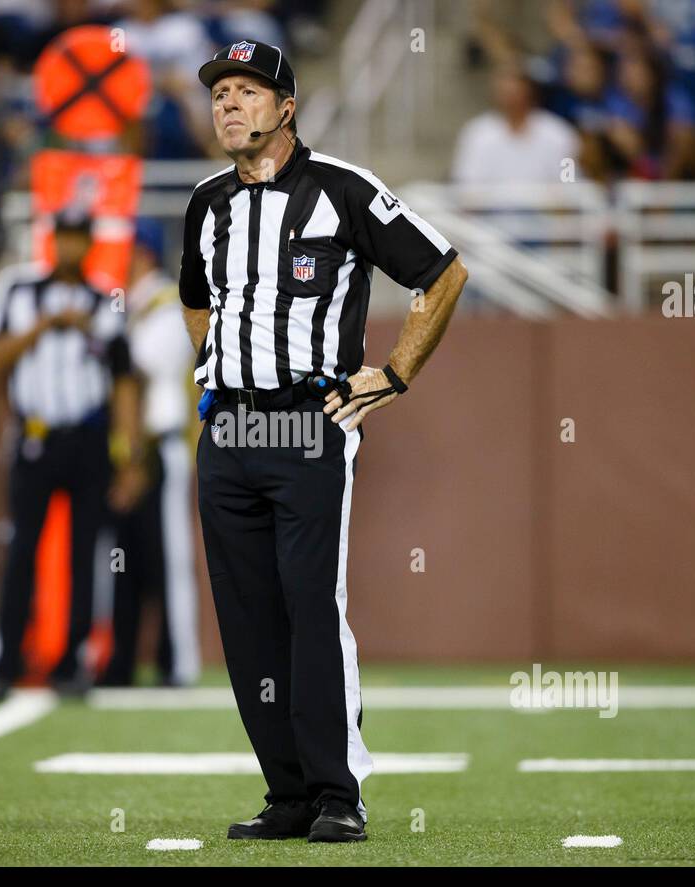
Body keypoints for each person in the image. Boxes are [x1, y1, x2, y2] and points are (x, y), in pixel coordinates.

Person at [181, 41, 468, 842]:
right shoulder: (207, 203)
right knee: (246, 617)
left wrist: (394, 373)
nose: (229, 104)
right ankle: (289, 793)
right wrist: (212, 369)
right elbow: (195, 300)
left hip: (309, 422)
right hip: (228, 426)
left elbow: (442, 274)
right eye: (220, 93)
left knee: (311, 607)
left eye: (247, 91)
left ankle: (339, 792)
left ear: (286, 106)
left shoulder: (343, 191)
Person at [0, 210, 145, 699]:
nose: (70, 248)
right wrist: (42, 329)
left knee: (85, 553)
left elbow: (123, 381)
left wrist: (130, 456)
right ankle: (6, 661)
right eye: (63, 237)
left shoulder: (106, 301)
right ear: (51, 241)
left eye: (79, 238)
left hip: (89, 438)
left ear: (90, 244)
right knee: (21, 549)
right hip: (33, 437)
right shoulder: (17, 290)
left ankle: (71, 663)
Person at [100, 218, 201, 688]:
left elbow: (136, 368)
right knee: (124, 563)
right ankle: (120, 662)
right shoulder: (127, 307)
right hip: (126, 451)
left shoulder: (167, 304)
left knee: (168, 561)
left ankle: (176, 661)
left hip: (160, 448)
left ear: (141, 253)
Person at [451, 69, 579, 185]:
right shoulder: (477, 132)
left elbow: (569, 180)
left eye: (515, 92)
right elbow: (466, 181)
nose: (510, 98)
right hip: (491, 208)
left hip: (544, 208)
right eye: (504, 92)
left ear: (530, 92)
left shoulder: (558, 133)